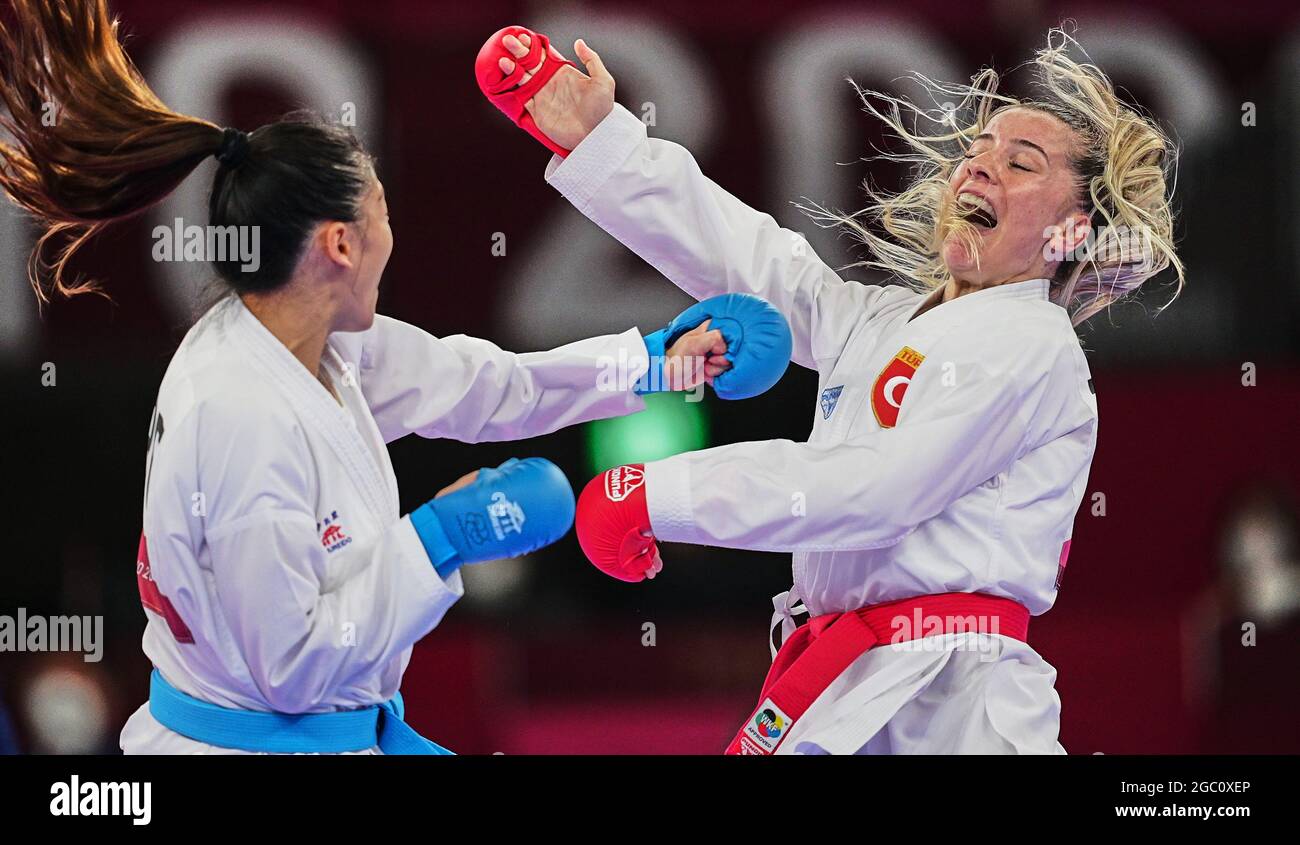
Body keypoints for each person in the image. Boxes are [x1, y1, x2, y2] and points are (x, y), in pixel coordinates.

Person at [0, 0, 802, 754]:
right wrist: (443, 533)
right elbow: (292, 669)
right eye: (383, 211)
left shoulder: (308, 341)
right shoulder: (239, 417)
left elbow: (487, 386)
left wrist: (654, 361)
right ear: (340, 245)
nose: (395, 232)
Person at [480, 24, 1184, 753]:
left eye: (1020, 163)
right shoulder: (885, 324)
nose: (978, 169)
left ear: (1071, 230)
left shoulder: (1034, 344)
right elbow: (750, 259)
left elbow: (879, 490)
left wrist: (662, 495)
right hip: (850, 681)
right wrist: (604, 144)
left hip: (955, 705)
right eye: (975, 154)